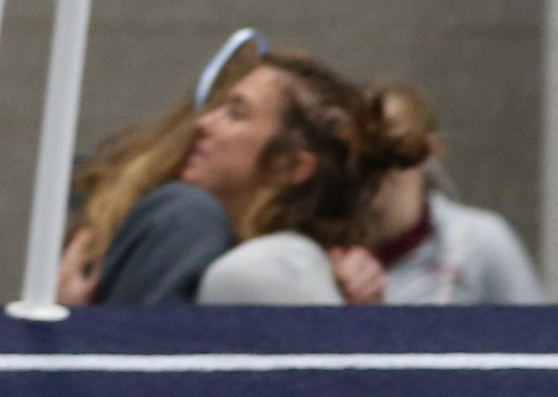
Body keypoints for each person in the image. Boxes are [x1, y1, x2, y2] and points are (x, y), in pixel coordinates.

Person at [61, 32, 366, 308]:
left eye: (236, 113)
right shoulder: (188, 220)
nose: (203, 123)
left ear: (290, 166)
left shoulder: (192, 219)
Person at [316, 80, 547, 306]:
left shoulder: (480, 241)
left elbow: (538, 337)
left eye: (392, 146)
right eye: (361, 150)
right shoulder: (318, 249)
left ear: (427, 151)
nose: (376, 166)